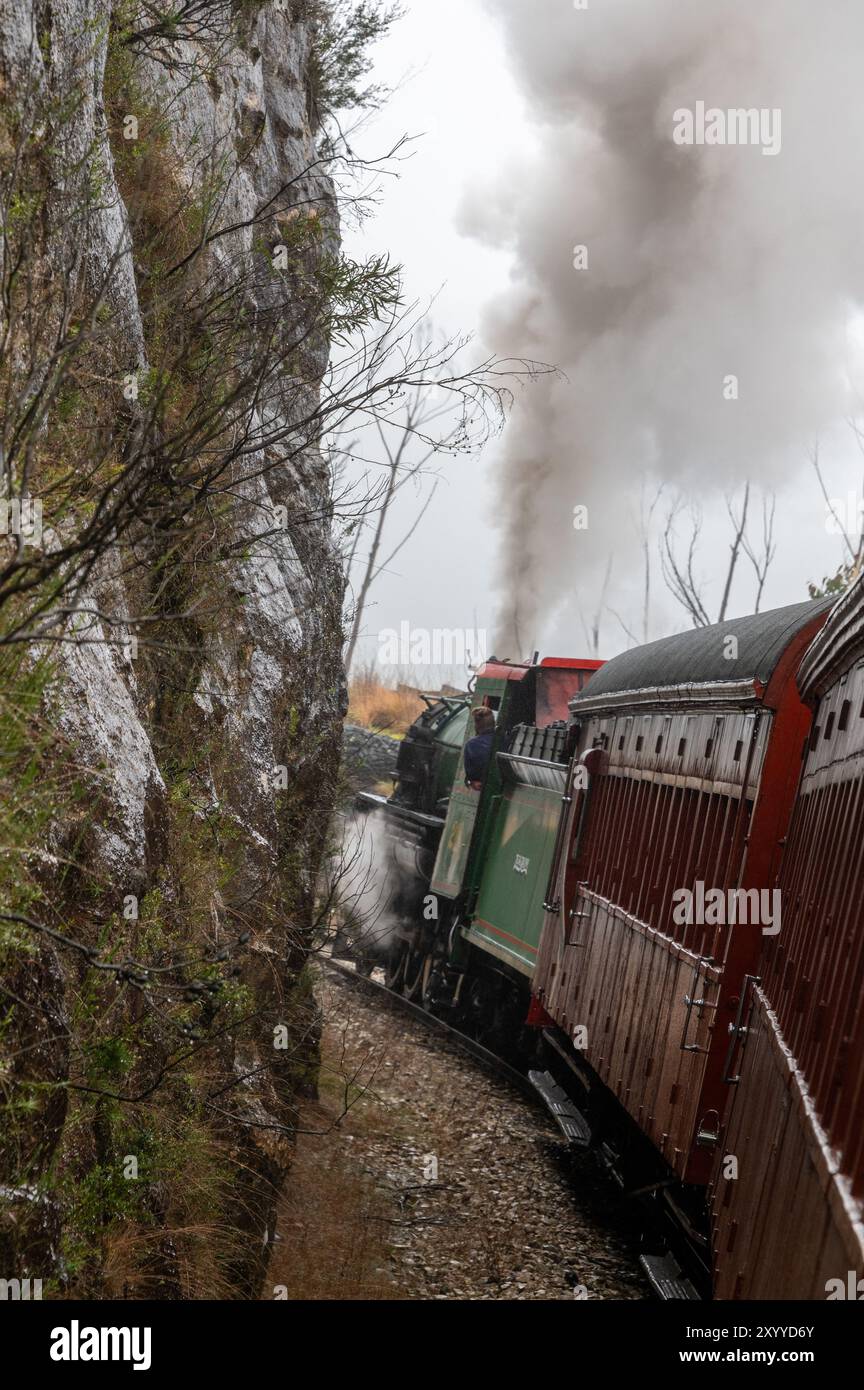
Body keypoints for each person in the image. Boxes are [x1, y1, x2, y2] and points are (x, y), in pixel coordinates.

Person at [464, 707, 495, 789]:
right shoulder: (505, 739)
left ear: (477, 725)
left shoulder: (471, 745)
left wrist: (470, 780)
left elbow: (470, 772)